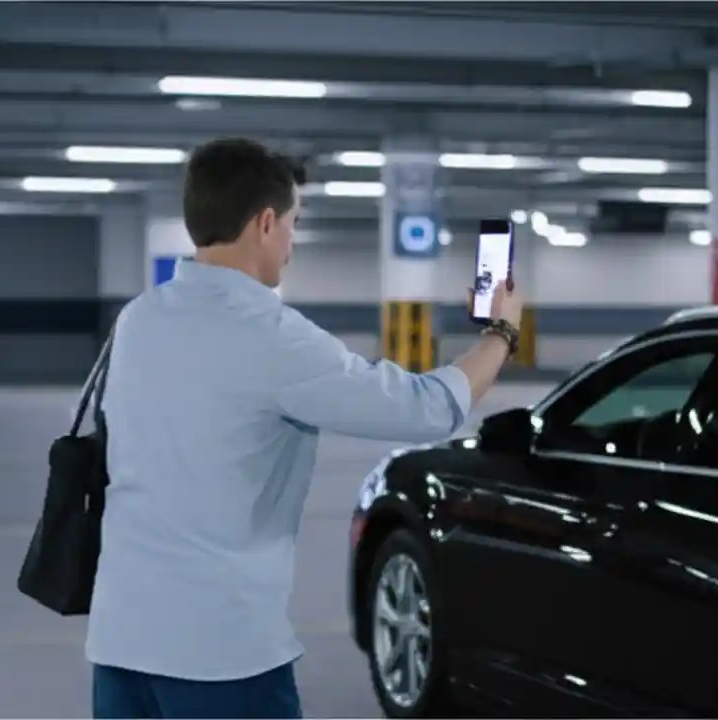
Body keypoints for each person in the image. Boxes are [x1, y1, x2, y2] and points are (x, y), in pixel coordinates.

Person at [85, 137, 523, 719]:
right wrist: (501, 335)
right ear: (266, 223)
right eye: (293, 224)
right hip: (219, 649)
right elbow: (423, 408)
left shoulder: (137, 319)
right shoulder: (271, 335)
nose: (292, 243)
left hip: (121, 639)